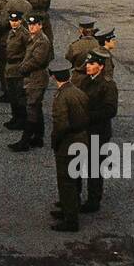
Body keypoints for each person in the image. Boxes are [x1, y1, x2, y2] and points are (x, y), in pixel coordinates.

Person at [48, 61, 88, 231]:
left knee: (66, 181)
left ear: (53, 77)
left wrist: (55, 141)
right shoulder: (78, 92)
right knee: (76, 177)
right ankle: (70, 207)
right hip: (82, 139)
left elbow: (61, 125)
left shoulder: (61, 97)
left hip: (68, 143)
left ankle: (70, 220)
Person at [77, 49, 118, 212]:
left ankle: (94, 200)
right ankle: (74, 197)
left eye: (92, 64)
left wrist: (87, 116)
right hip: (84, 130)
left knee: (95, 168)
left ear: (100, 66)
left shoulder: (107, 85)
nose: (88, 66)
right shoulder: (86, 81)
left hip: (98, 132)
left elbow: (110, 110)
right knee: (78, 165)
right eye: (88, 63)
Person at [8, 13, 53, 151]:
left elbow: (36, 60)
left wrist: (21, 68)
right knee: (36, 107)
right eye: (30, 24)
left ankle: (24, 142)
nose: (32, 27)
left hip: (37, 77)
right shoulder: (33, 38)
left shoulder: (42, 41)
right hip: (32, 76)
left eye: (35, 24)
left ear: (40, 25)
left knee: (32, 107)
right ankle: (38, 137)